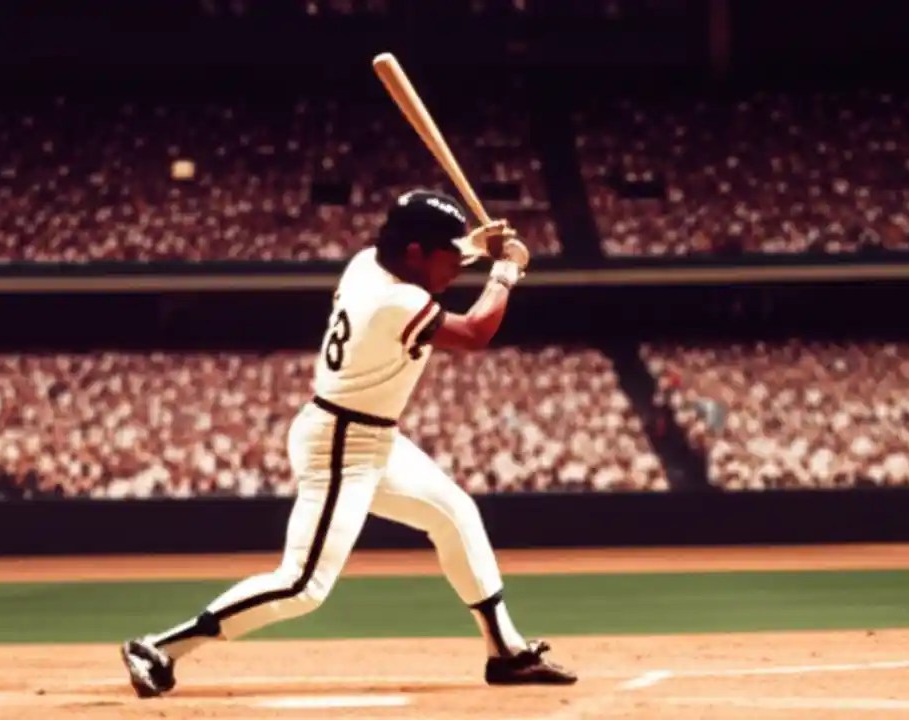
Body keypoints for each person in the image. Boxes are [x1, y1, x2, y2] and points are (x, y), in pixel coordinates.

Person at [120, 189, 576, 697]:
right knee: (302, 585)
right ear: (415, 254)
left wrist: (473, 246)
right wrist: (505, 271)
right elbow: (472, 333)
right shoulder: (397, 301)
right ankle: (158, 647)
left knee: (455, 514)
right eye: (447, 258)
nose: (455, 269)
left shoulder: (367, 264)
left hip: (372, 435)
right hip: (342, 444)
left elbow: (434, 260)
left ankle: (506, 651)